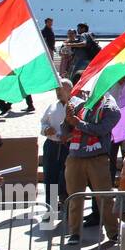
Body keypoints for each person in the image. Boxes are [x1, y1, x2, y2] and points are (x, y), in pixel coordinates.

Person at [63, 91, 121, 245]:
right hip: (75, 156)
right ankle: (74, 232)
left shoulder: (110, 107)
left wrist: (78, 123)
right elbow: (65, 131)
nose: (88, 92)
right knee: (75, 197)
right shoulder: (79, 105)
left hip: (97, 157)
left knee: (104, 198)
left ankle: (113, 231)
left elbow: (101, 129)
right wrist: (67, 119)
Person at [39, 80, 73, 220]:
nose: (58, 92)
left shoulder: (76, 106)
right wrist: (46, 129)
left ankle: (69, 208)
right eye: (57, 90)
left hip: (68, 147)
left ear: (70, 90)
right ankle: (50, 208)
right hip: (52, 145)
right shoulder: (52, 106)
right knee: (50, 177)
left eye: (61, 89)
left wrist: (71, 136)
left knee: (67, 179)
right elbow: (43, 123)